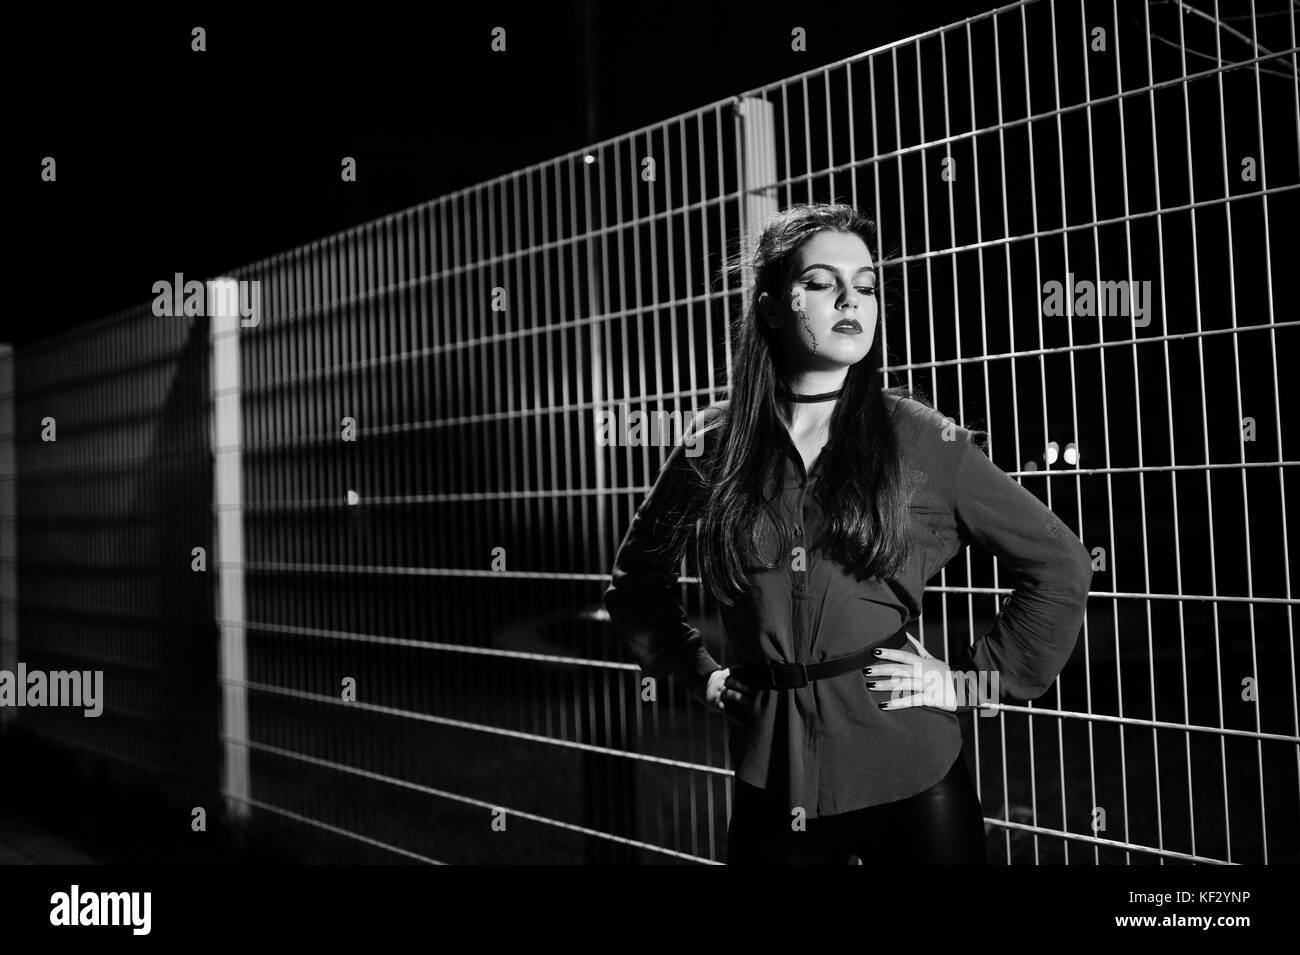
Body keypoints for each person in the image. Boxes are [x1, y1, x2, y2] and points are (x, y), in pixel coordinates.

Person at [603, 202, 1093, 864]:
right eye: (821, 281)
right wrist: (702, 676)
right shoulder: (712, 445)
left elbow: (1061, 562)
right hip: (770, 778)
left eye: (864, 285)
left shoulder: (919, 437)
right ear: (773, 306)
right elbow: (638, 584)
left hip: (910, 774)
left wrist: (972, 681)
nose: (849, 299)